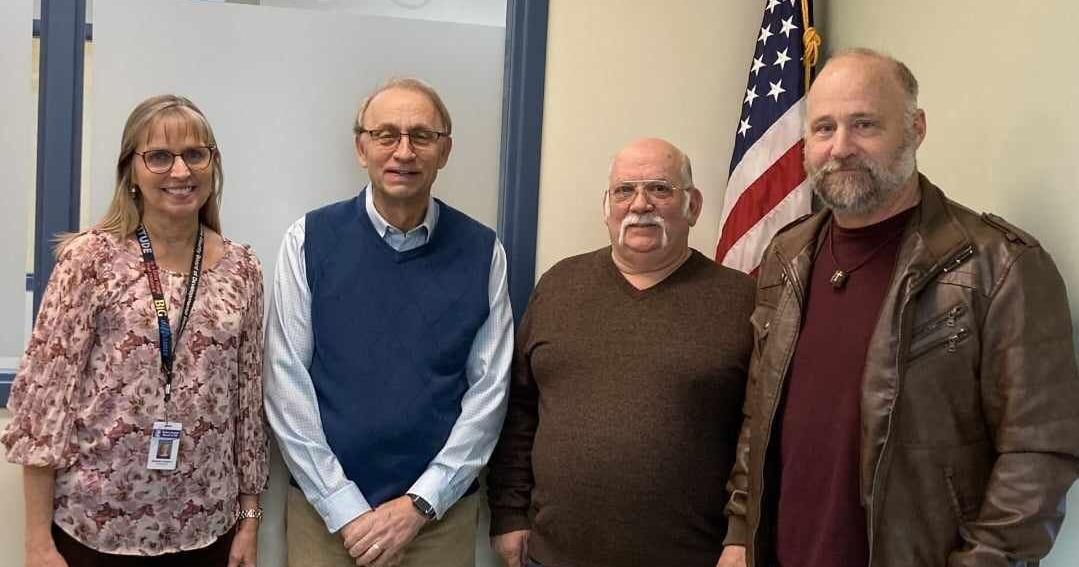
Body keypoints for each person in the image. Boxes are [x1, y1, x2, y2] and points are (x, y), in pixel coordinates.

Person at [718, 48, 1079, 567]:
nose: (840, 147)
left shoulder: (999, 266)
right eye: (823, 129)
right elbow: (761, 412)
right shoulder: (787, 254)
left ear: (916, 128)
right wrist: (738, 532)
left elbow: (1038, 454)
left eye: (864, 124)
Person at [2, 94, 268, 567]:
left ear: (213, 165)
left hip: (207, 530)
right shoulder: (90, 260)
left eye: (195, 154)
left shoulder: (242, 269)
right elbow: (46, 403)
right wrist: (36, 542)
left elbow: (246, 404)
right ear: (131, 172)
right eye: (159, 157)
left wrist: (249, 520)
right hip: (95, 528)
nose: (181, 172)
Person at [264, 77, 512, 567]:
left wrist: (420, 504)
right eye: (386, 135)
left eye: (422, 136)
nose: (404, 151)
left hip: (439, 522)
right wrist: (346, 509)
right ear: (361, 147)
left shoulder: (484, 252)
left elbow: (490, 394)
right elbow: (285, 382)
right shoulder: (308, 240)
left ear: (445, 151)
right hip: (326, 522)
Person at [488, 138, 756, 567]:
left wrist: (742, 535)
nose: (641, 203)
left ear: (693, 205)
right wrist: (508, 514)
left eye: (661, 189)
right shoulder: (559, 286)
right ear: (606, 206)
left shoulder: (742, 300)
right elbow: (519, 410)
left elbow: (758, 429)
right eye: (625, 190)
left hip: (692, 557)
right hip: (552, 555)